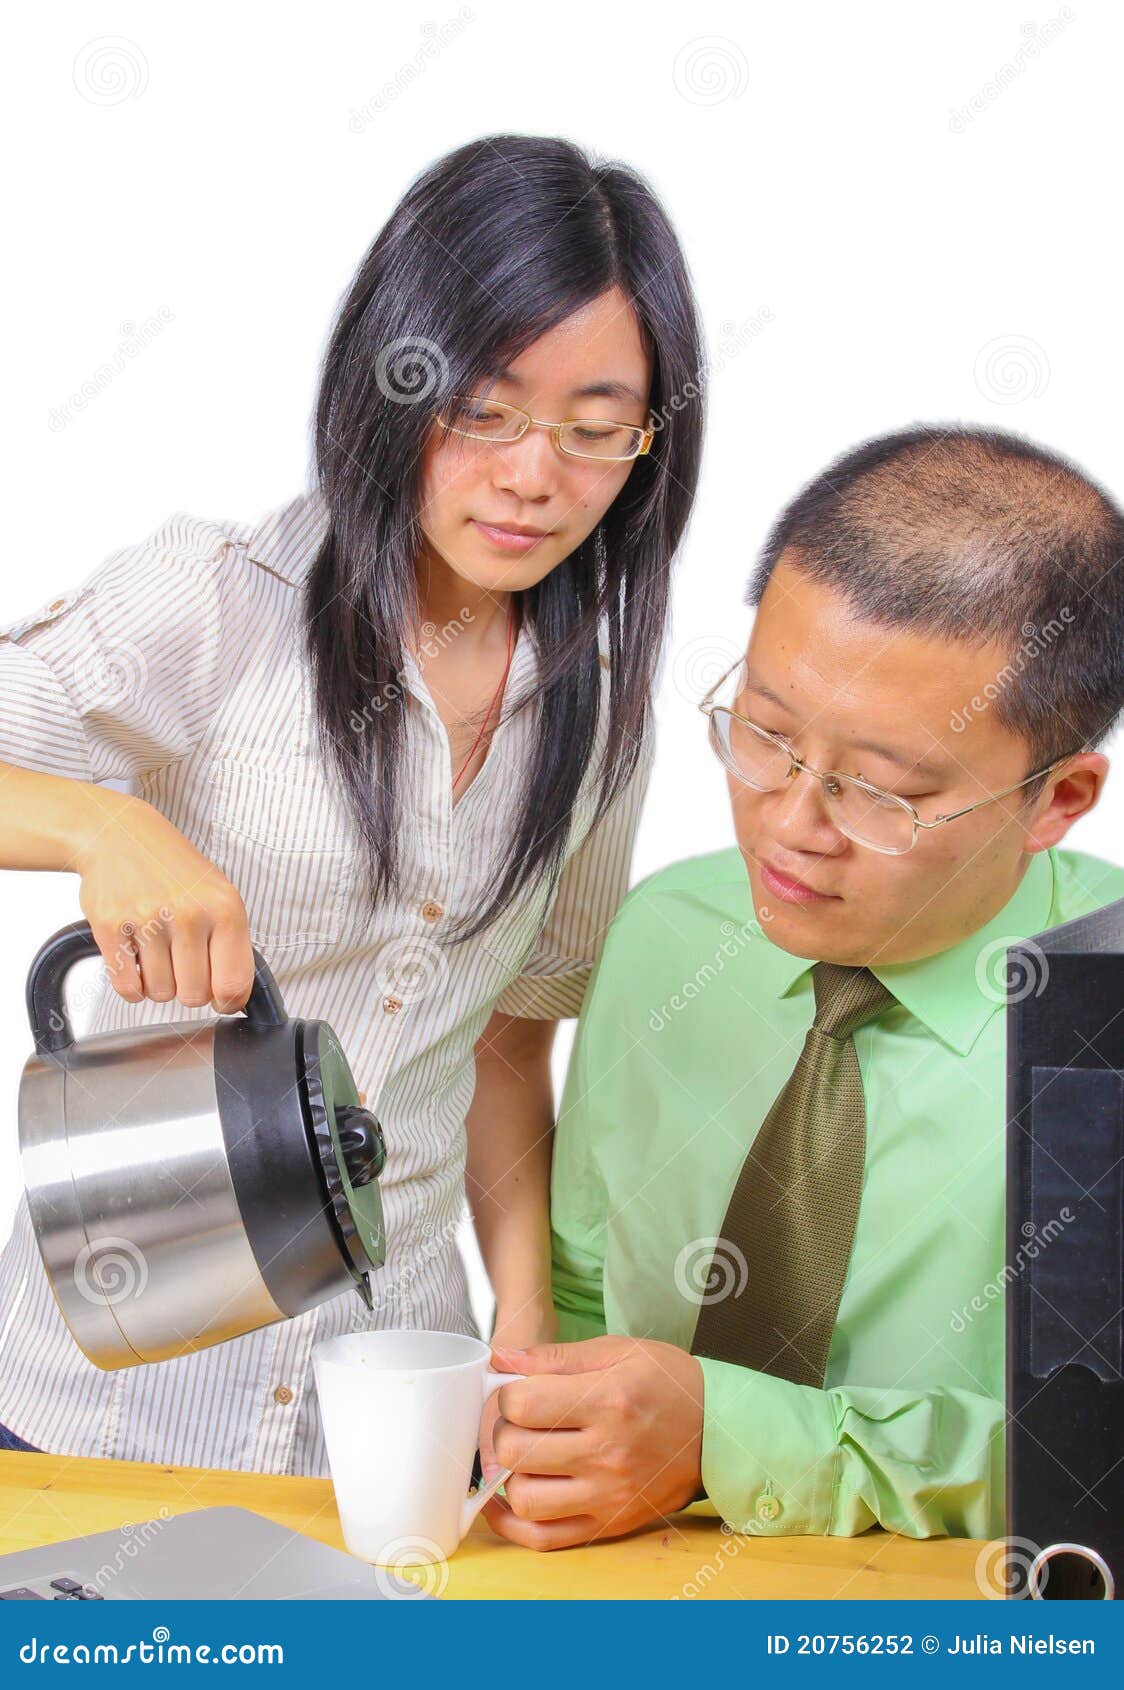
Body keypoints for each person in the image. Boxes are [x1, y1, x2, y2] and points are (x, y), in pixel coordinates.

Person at [0, 133, 704, 1470]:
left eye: (598, 429)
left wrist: (524, 1331)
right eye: (486, 411)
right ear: (396, 380)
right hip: (104, 1402)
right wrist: (103, 824)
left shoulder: (603, 712)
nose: (535, 477)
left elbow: (503, 1050)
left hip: (387, 1408)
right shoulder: (215, 598)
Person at [480, 424, 1124, 1548]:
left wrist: (733, 1438)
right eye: (765, 733)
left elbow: (1098, 1463)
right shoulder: (674, 935)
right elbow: (583, 1292)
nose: (786, 825)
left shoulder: (1099, 1018)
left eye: (881, 791)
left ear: (1058, 798)